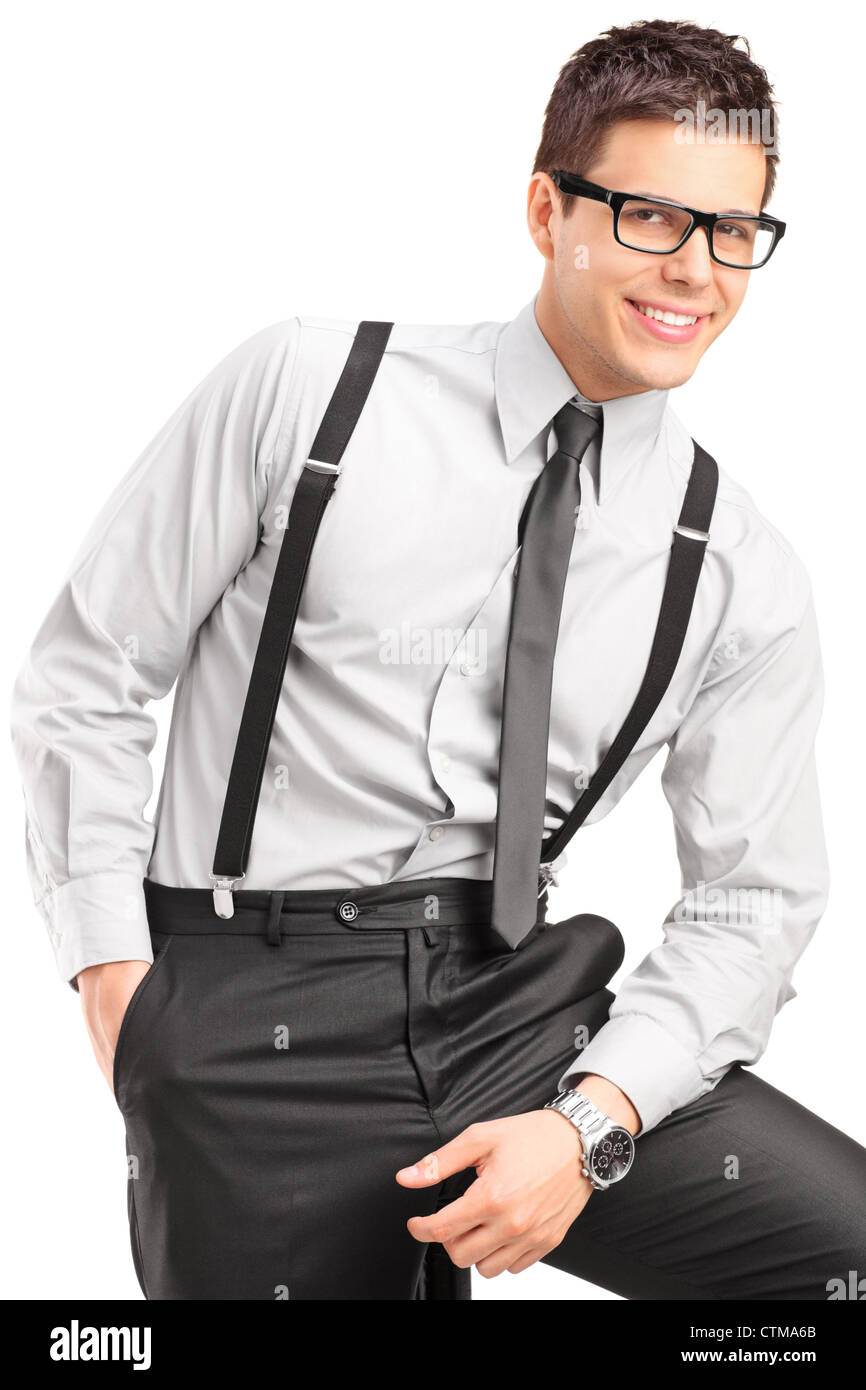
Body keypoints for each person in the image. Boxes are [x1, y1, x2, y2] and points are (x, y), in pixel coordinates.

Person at [11, 18, 866, 1300]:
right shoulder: (313, 390)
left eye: (731, 230)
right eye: (647, 216)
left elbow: (751, 899)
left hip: (520, 1008)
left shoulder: (739, 566)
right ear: (545, 209)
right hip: (247, 1015)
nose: (692, 269)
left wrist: (591, 1121)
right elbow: (88, 675)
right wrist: (118, 989)